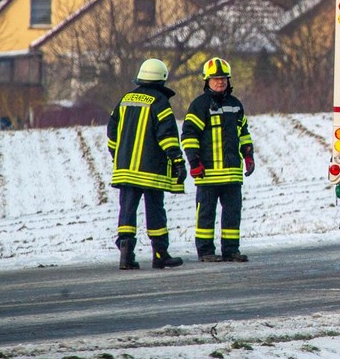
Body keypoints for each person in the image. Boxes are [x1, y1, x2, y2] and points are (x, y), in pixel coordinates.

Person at [107, 58, 186, 270]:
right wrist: (177, 161)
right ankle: (160, 254)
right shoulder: (160, 102)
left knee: (127, 211)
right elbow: (167, 136)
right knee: (155, 210)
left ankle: (125, 256)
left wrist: (117, 155)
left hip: (125, 170)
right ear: (162, 79)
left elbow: (112, 133)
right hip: (151, 171)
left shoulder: (125, 99)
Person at [182, 57, 255, 263]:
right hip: (208, 174)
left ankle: (231, 250)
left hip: (232, 175)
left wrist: (248, 155)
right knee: (206, 214)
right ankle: (205, 251)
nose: (220, 82)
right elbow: (189, 135)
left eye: (223, 78)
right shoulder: (199, 105)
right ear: (207, 81)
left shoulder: (235, 104)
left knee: (232, 213)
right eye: (216, 78)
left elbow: (243, 133)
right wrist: (194, 163)